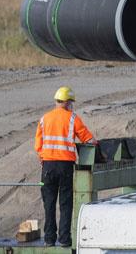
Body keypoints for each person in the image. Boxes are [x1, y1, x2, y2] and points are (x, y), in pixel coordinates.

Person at [36, 86, 97, 246]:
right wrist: (94, 142)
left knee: (48, 203)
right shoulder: (72, 118)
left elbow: (38, 145)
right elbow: (86, 138)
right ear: (67, 102)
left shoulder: (44, 118)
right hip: (65, 167)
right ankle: (64, 240)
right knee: (65, 203)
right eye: (71, 102)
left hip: (47, 167)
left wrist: (44, 157)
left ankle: (49, 239)